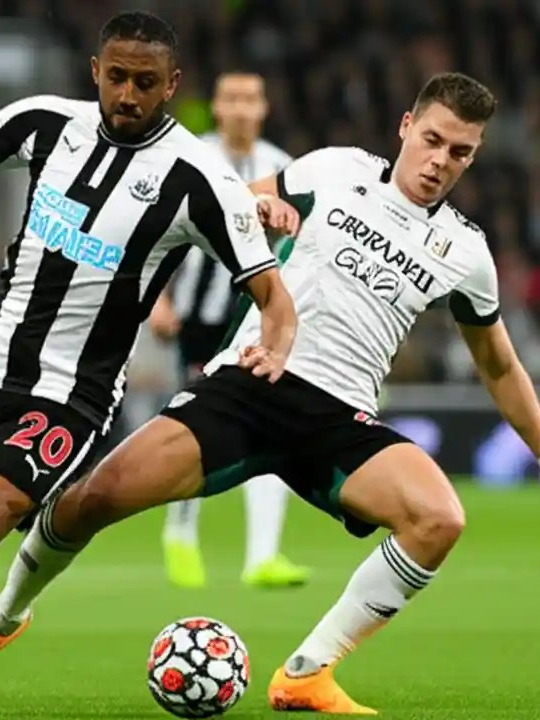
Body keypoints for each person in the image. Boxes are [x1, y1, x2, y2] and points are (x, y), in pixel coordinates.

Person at [0, 72, 540, 714]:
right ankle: (3, 620)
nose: (441, 161)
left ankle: (307, 672)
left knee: (440, 518)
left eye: (460, 153)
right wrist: (262, 208)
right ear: (407, 126)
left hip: (339, 417)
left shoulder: (466, 252)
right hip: (250, 383)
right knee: (92, 499)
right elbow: (229, 202)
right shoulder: (335, 169)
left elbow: (498, 364)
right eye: (433, 140)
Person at [0, 12, 301, 720]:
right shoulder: (44, 123)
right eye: (116, 77)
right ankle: (36, 503)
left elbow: (273, 296)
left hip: (67, 399)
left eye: (145, 82)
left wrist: (276, 346)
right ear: (95, 72)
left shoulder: (201, 180)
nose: (128, 95)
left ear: (172, 85)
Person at [148, 70, 308, 590]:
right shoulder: (193, 156)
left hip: (256, 315)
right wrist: (159, 298)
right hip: (199, 318)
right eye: (231, 99)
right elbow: (161, 230)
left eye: (250, 99)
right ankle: (180, 531)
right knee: (198, 424)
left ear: (263, 108)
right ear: (217, 107)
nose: (241, 108)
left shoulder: (282, 167)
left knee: (271, 425)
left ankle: (263, 555)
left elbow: (297, 247)